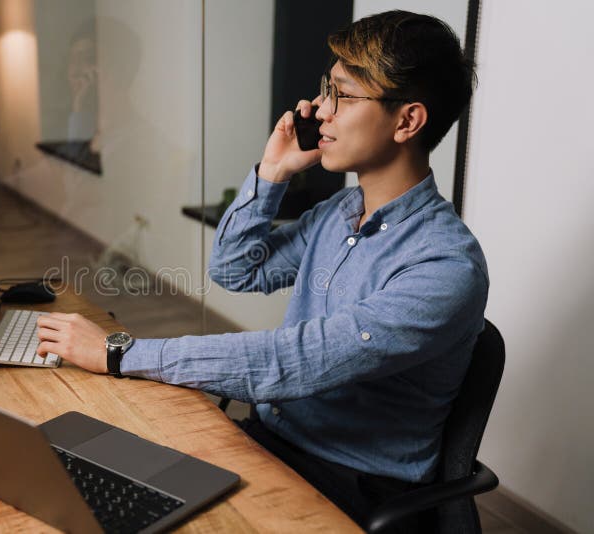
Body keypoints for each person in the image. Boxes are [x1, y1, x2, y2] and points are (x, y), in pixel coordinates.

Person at [36, 10, 487, 530]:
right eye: (326, 89)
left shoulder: (445, 266)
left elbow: (294, 362)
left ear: (407, 121)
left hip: (350, 484)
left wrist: (118, 352)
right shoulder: (337, 214)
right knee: (95, 479)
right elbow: (234, 271)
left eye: (342, 94)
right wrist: (272, 173)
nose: (320, 110)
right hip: (270, 440)